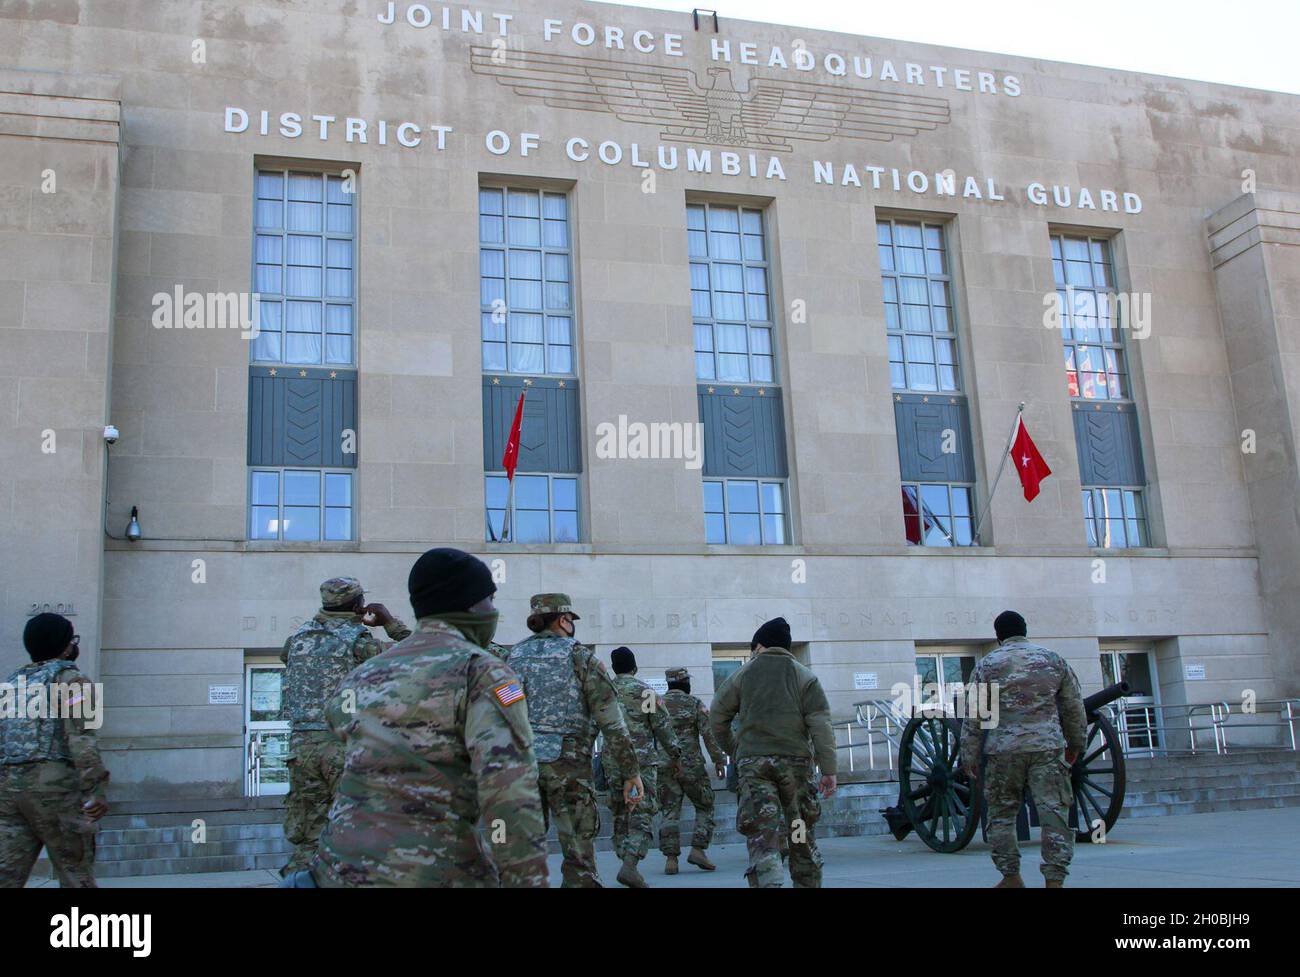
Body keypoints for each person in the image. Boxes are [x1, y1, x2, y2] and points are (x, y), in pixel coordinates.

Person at [312, 548, 548, 887]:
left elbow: (337, 729)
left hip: (340, 868)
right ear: (470, 604)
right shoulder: (482, 672)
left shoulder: (362, 675)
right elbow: (510, 796)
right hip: (433, 870)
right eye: (490, 600)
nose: (493, 610)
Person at [506, 594, 642, 887]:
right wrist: (631, 771)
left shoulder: (513, 656)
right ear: (563, 620)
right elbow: (612, 723)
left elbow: (502, 710)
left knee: (522, 854)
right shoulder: (581, 657)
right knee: (579, 857)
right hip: (569, 769)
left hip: (521, 766)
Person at [278, 576, 411, 876]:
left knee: (309, 835)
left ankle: (301, 880)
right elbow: (417, 657)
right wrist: (389, 622)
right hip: (344, 747)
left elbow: (287, 658)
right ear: (357, 605)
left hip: (301, 749)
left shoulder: (298, 638)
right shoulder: (359, 641)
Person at [960, 610, 1086, 888]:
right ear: (1025, 630)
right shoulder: (1053, 660)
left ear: (998, 635)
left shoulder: (987, 665)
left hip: (1004, 751)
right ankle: (1054, 879)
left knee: (1002, 814)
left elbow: (975, 715)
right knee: (1054, 813)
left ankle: (1010, 875)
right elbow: (1073, 707)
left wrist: (968, 755)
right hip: (1047, 748)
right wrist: (1076, 744)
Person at [710, 617, 836, 888]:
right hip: (796, 766)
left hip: (754, 766)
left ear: (760, 646)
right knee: (799, 830)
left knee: (762, 834)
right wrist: (829, 770)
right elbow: (821, 726)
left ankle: (770, 882)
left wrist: (737, 750)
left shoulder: (742, 676)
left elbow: (717, 718)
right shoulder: (805, 676)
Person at [0, 614, 110, 888]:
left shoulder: (11, 682)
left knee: (6, 874)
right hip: (56, 790)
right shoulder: (73, 681)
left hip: (9, 792)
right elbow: (82, 739)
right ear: (64, 645)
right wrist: (95, 790)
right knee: (75, 872)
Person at [605, 647, 681, 888]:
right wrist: (675, 755)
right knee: (642, 811)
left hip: (611, 761)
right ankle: (629, 864)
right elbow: (663, 729)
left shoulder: (605, 691)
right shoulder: (644, 693)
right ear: (634, 667)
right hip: (641, 763)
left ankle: (624, 856)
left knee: (618, 811)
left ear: (614, 668)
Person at [657, 666, 727, 875]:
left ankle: (671, 859)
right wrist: (719, 760)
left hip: (664, 765)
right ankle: (698, 849)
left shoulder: (657, 704)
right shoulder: (695, 703)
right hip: (692, 767)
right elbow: (709, 734)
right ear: (685, 682)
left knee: (669, 811)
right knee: (705, 805)